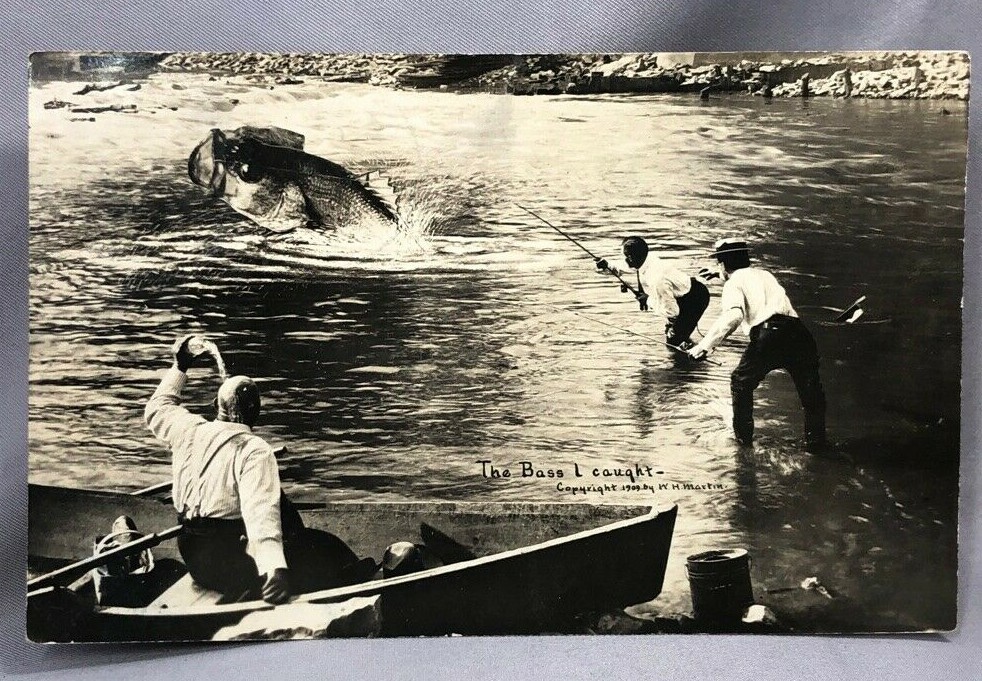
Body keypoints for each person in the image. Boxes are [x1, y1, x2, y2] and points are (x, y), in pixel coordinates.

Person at [144, 336, 357, 604]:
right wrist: (275, 570)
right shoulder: (254, 449)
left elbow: (157, 408)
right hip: (230, 563)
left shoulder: (187, 429)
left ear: (214, 406)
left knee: (297, 526)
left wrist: (180, 366)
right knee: (328, 550)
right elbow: (260, 513)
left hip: (192, 552)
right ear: (256, 413)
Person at [687, 239, 827, 450]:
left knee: (740, 382)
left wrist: (704, 346)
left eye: (718, 264)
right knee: (811, 394)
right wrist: (720, 275)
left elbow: (734, 316)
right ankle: (817, 446)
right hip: (800, 334)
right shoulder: (765, 274)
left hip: (770, 335)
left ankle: (743, 447)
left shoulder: (733, 283)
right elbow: (749, 282)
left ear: (724, 264)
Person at [595, 236, 710, 350]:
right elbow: (626, 266)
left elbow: (671, 311)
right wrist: (608, 266)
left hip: (695, 299)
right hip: (680, 294)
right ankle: (686, 345)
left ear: (633, 257)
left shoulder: (657, 278)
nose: (625, 260)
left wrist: (648, 300)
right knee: (675, 334)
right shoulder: (645, 259)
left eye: (627, 257)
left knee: (674, 342)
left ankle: (695, 355)